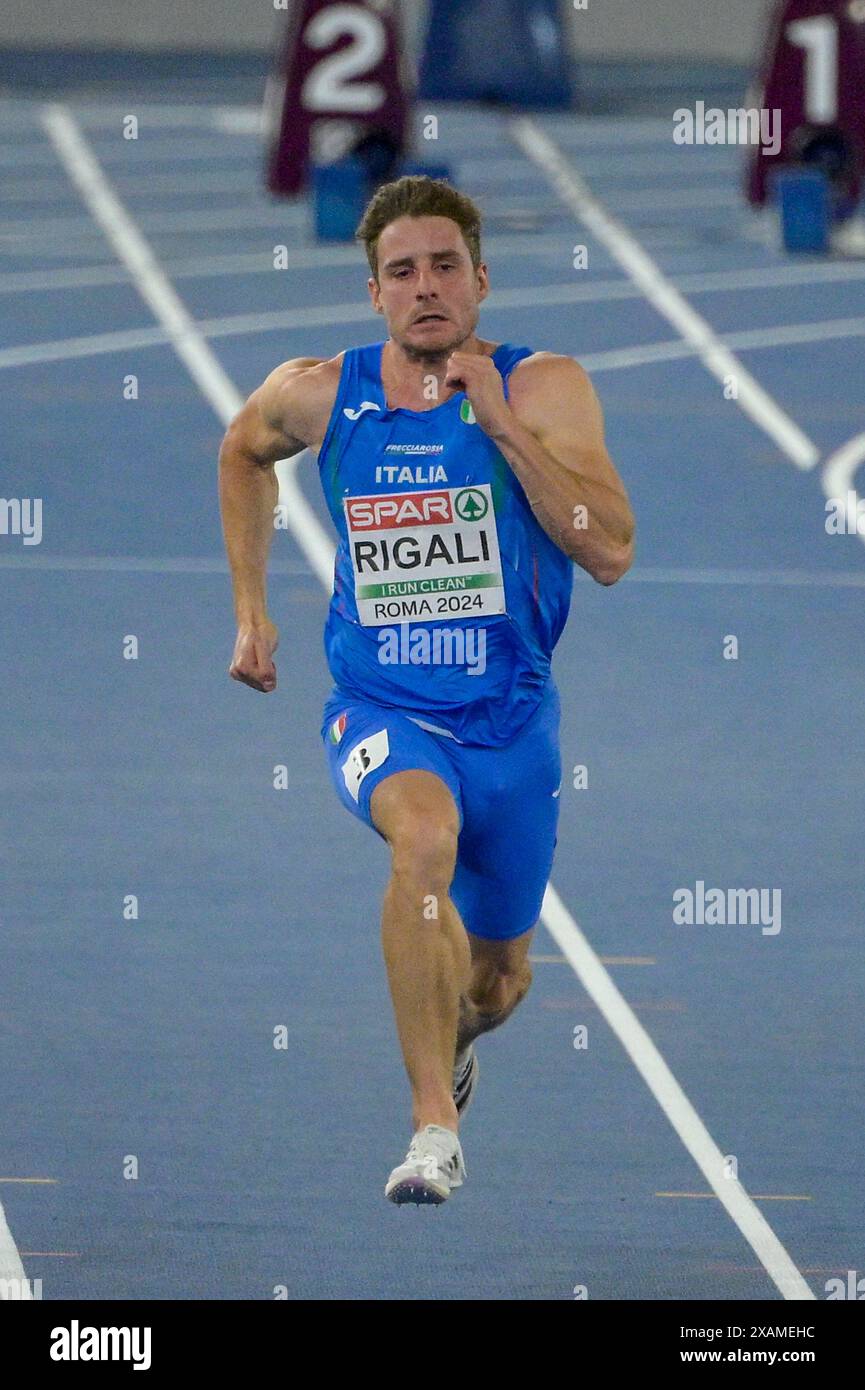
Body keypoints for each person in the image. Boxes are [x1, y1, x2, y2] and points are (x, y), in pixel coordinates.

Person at [219, 176, 634, 1205]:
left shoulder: (543, 390)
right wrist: (250, 609)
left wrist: (501, 430)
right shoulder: (324, 392)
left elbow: (609, 550)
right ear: (374, 295)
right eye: (401, 272)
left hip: (511, 724)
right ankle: (431, 1133)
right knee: (422, 840)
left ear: (480, 280)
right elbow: (241, 450)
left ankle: (448, 1045)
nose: (425, 287)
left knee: (497, 982)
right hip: (381, 708)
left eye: (444, 265)